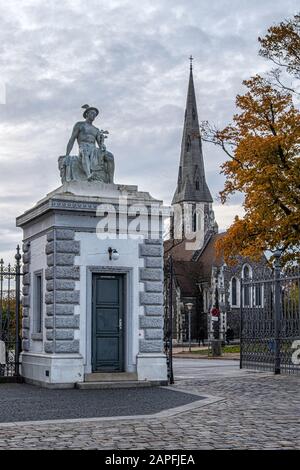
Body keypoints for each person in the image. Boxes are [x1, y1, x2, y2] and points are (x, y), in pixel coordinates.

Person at [65, 104, 114, 183]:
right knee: (85, 151)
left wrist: (102, 145)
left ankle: (111, 181)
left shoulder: (96, 129)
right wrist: (67, 154)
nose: (93, 116)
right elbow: (72, 139)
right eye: (92, 113)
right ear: (87, 114)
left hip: (93, 149)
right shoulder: (79, 125)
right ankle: (88, 175)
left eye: (95, 114)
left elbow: (100, 144)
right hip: (83, 146)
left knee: (110, 156)